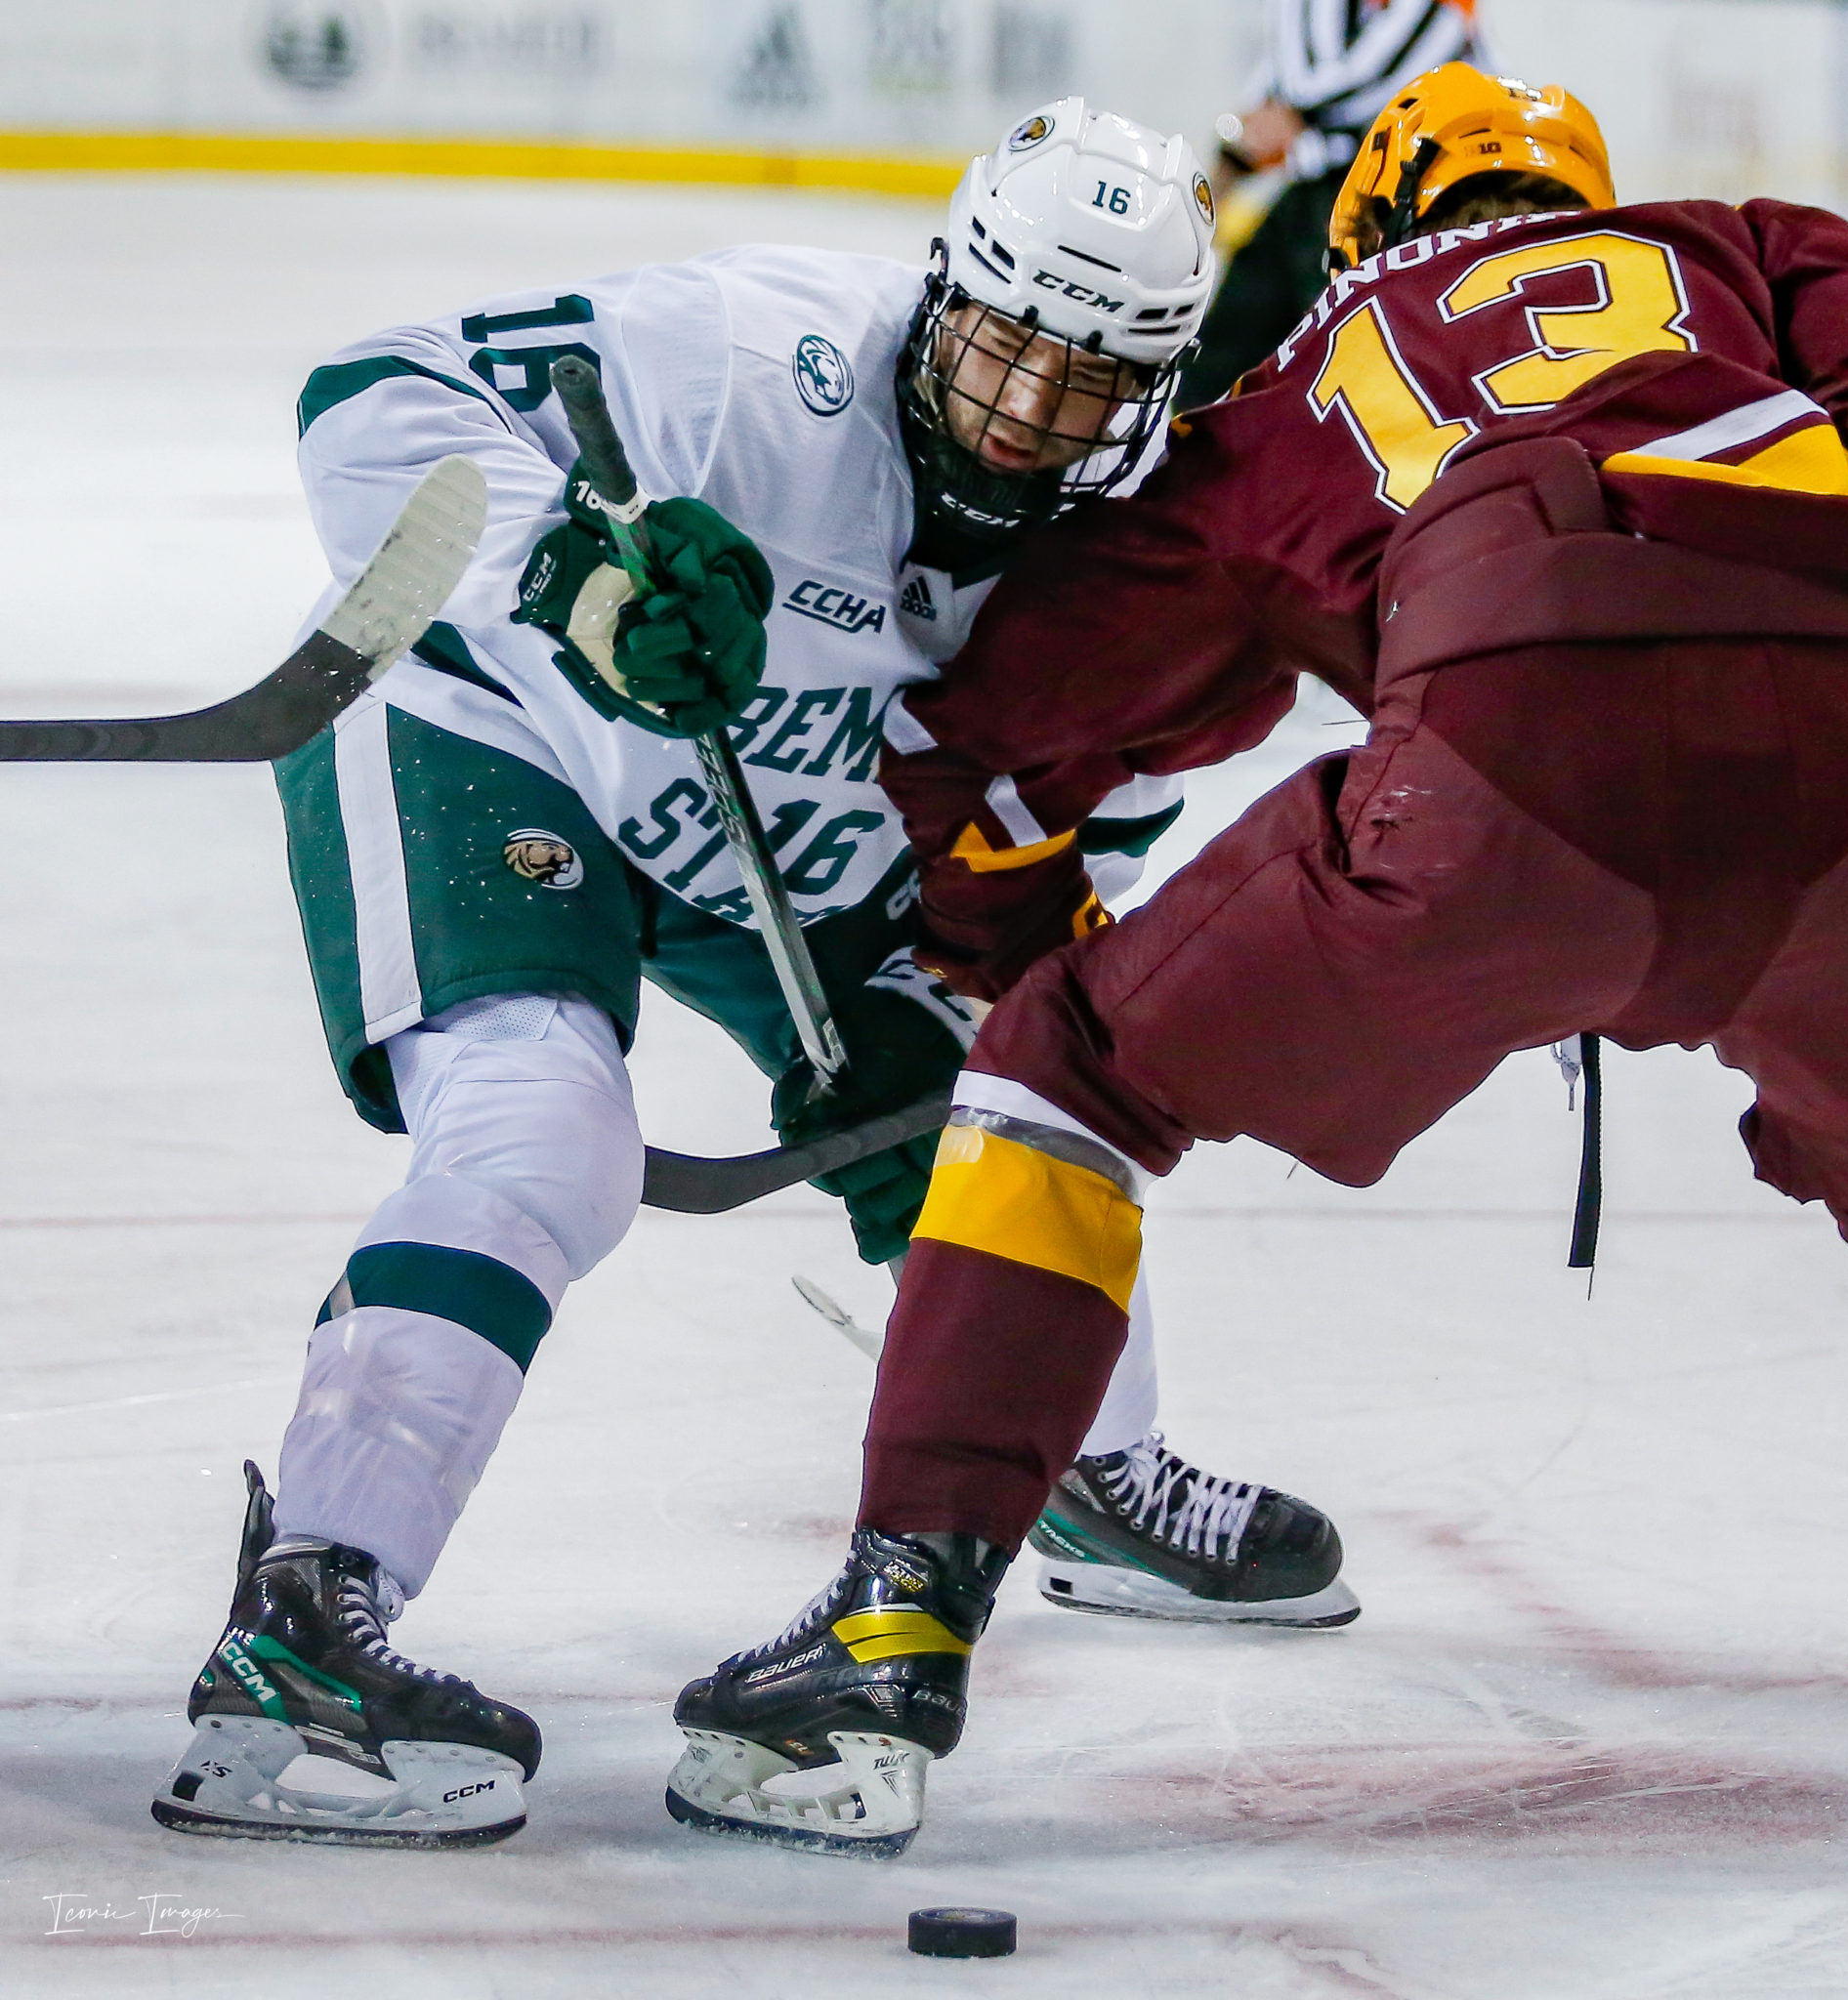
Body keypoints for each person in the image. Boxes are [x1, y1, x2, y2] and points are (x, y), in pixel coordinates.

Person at [671, 64, 1848, 1860]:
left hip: (1504, 779)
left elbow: (1003, 718)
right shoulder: (1747, 246)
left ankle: (898, 1623)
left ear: (1366, 226)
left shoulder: (1285, 405)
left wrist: (1003, 948)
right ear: (1592, 195)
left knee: (1067, 1077)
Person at [152, 101, 1358, 1854]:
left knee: (1014, 1112)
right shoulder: (751, 354)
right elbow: (370, 397)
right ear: (944, 291)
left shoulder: (1150, 569)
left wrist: (939, 1012)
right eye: (1003, 353)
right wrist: (571, 577)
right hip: (499, 729)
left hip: (790, 826)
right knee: (539, 1128)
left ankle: (1079, 1464)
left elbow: (1066, 869)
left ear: (1158, 394)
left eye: (1083, 389)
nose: (1022, 421)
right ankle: (305, 1626)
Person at [1178, 0, 1489, 406]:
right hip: (1326, 194)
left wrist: (1267, 127)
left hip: (1415, 202)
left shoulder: (1441, 13)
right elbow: (1275, 107)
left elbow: (1325, 88)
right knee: (1221, 365)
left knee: (1361, 360)